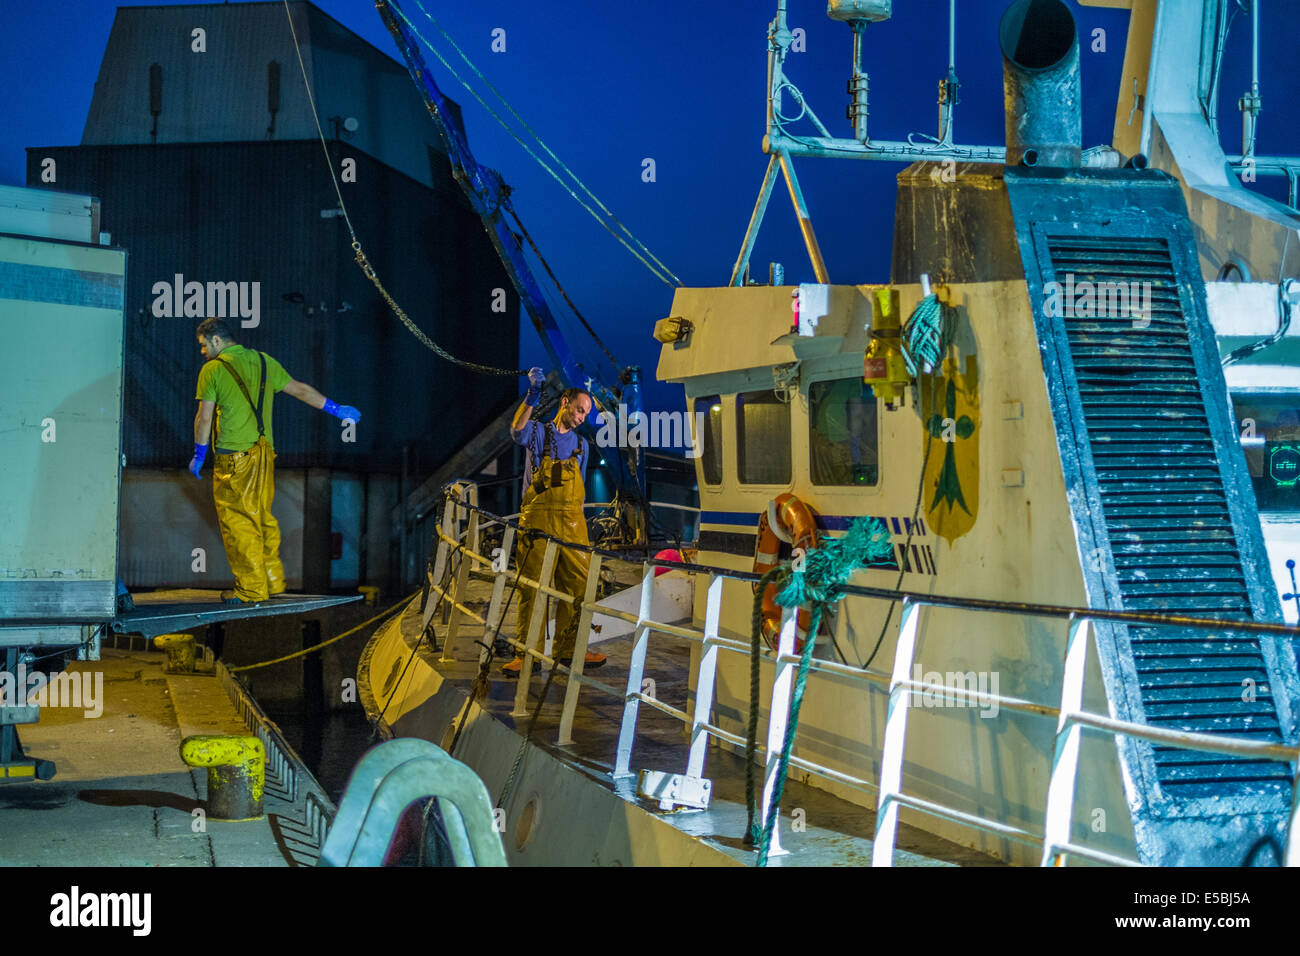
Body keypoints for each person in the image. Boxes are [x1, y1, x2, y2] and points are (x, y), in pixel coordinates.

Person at [189, 318, 360, 605]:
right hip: (264, 454)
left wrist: (199, 453)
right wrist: (336, 409)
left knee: (238, 522)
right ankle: (272, 580)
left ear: (216, 340)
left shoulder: (213, 370)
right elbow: (300, 390)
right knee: (262, 517)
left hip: (234, 458)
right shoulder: (264, 361)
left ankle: (251, 589)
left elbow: (204, 417)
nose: (203, 351)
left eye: (204, 345)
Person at [504, 367, 606, 674]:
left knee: (578, 586)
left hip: (573, 523)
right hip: (537, 520)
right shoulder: (537, 432)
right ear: (564, 402)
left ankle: (570, 649)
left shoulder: (582, 446)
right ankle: (527, 653)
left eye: (586, 413)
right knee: (532, 587)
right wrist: (532, 393)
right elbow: (516, 432)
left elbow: (581, 491)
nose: (581, 417)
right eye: (579, 410)